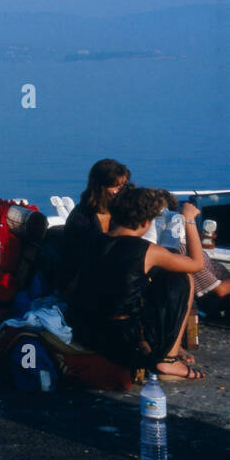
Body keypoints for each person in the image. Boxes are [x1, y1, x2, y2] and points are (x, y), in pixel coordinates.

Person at [66, 185, 206, 379]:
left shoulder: (94, 240)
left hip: (84, 332)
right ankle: (168, 360)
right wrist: (189, 220)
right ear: (146, 222)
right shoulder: (147, 250)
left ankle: (171, 351)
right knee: (182, 278)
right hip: (124, 343)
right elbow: (197, 263)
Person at [58, 159, 130, 304]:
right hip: (81, 282)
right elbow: (88, 258)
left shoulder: (120, 211)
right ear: (100, 187)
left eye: (123, 186)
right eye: (116, 186)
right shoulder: (81, 218)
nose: (120, 191)